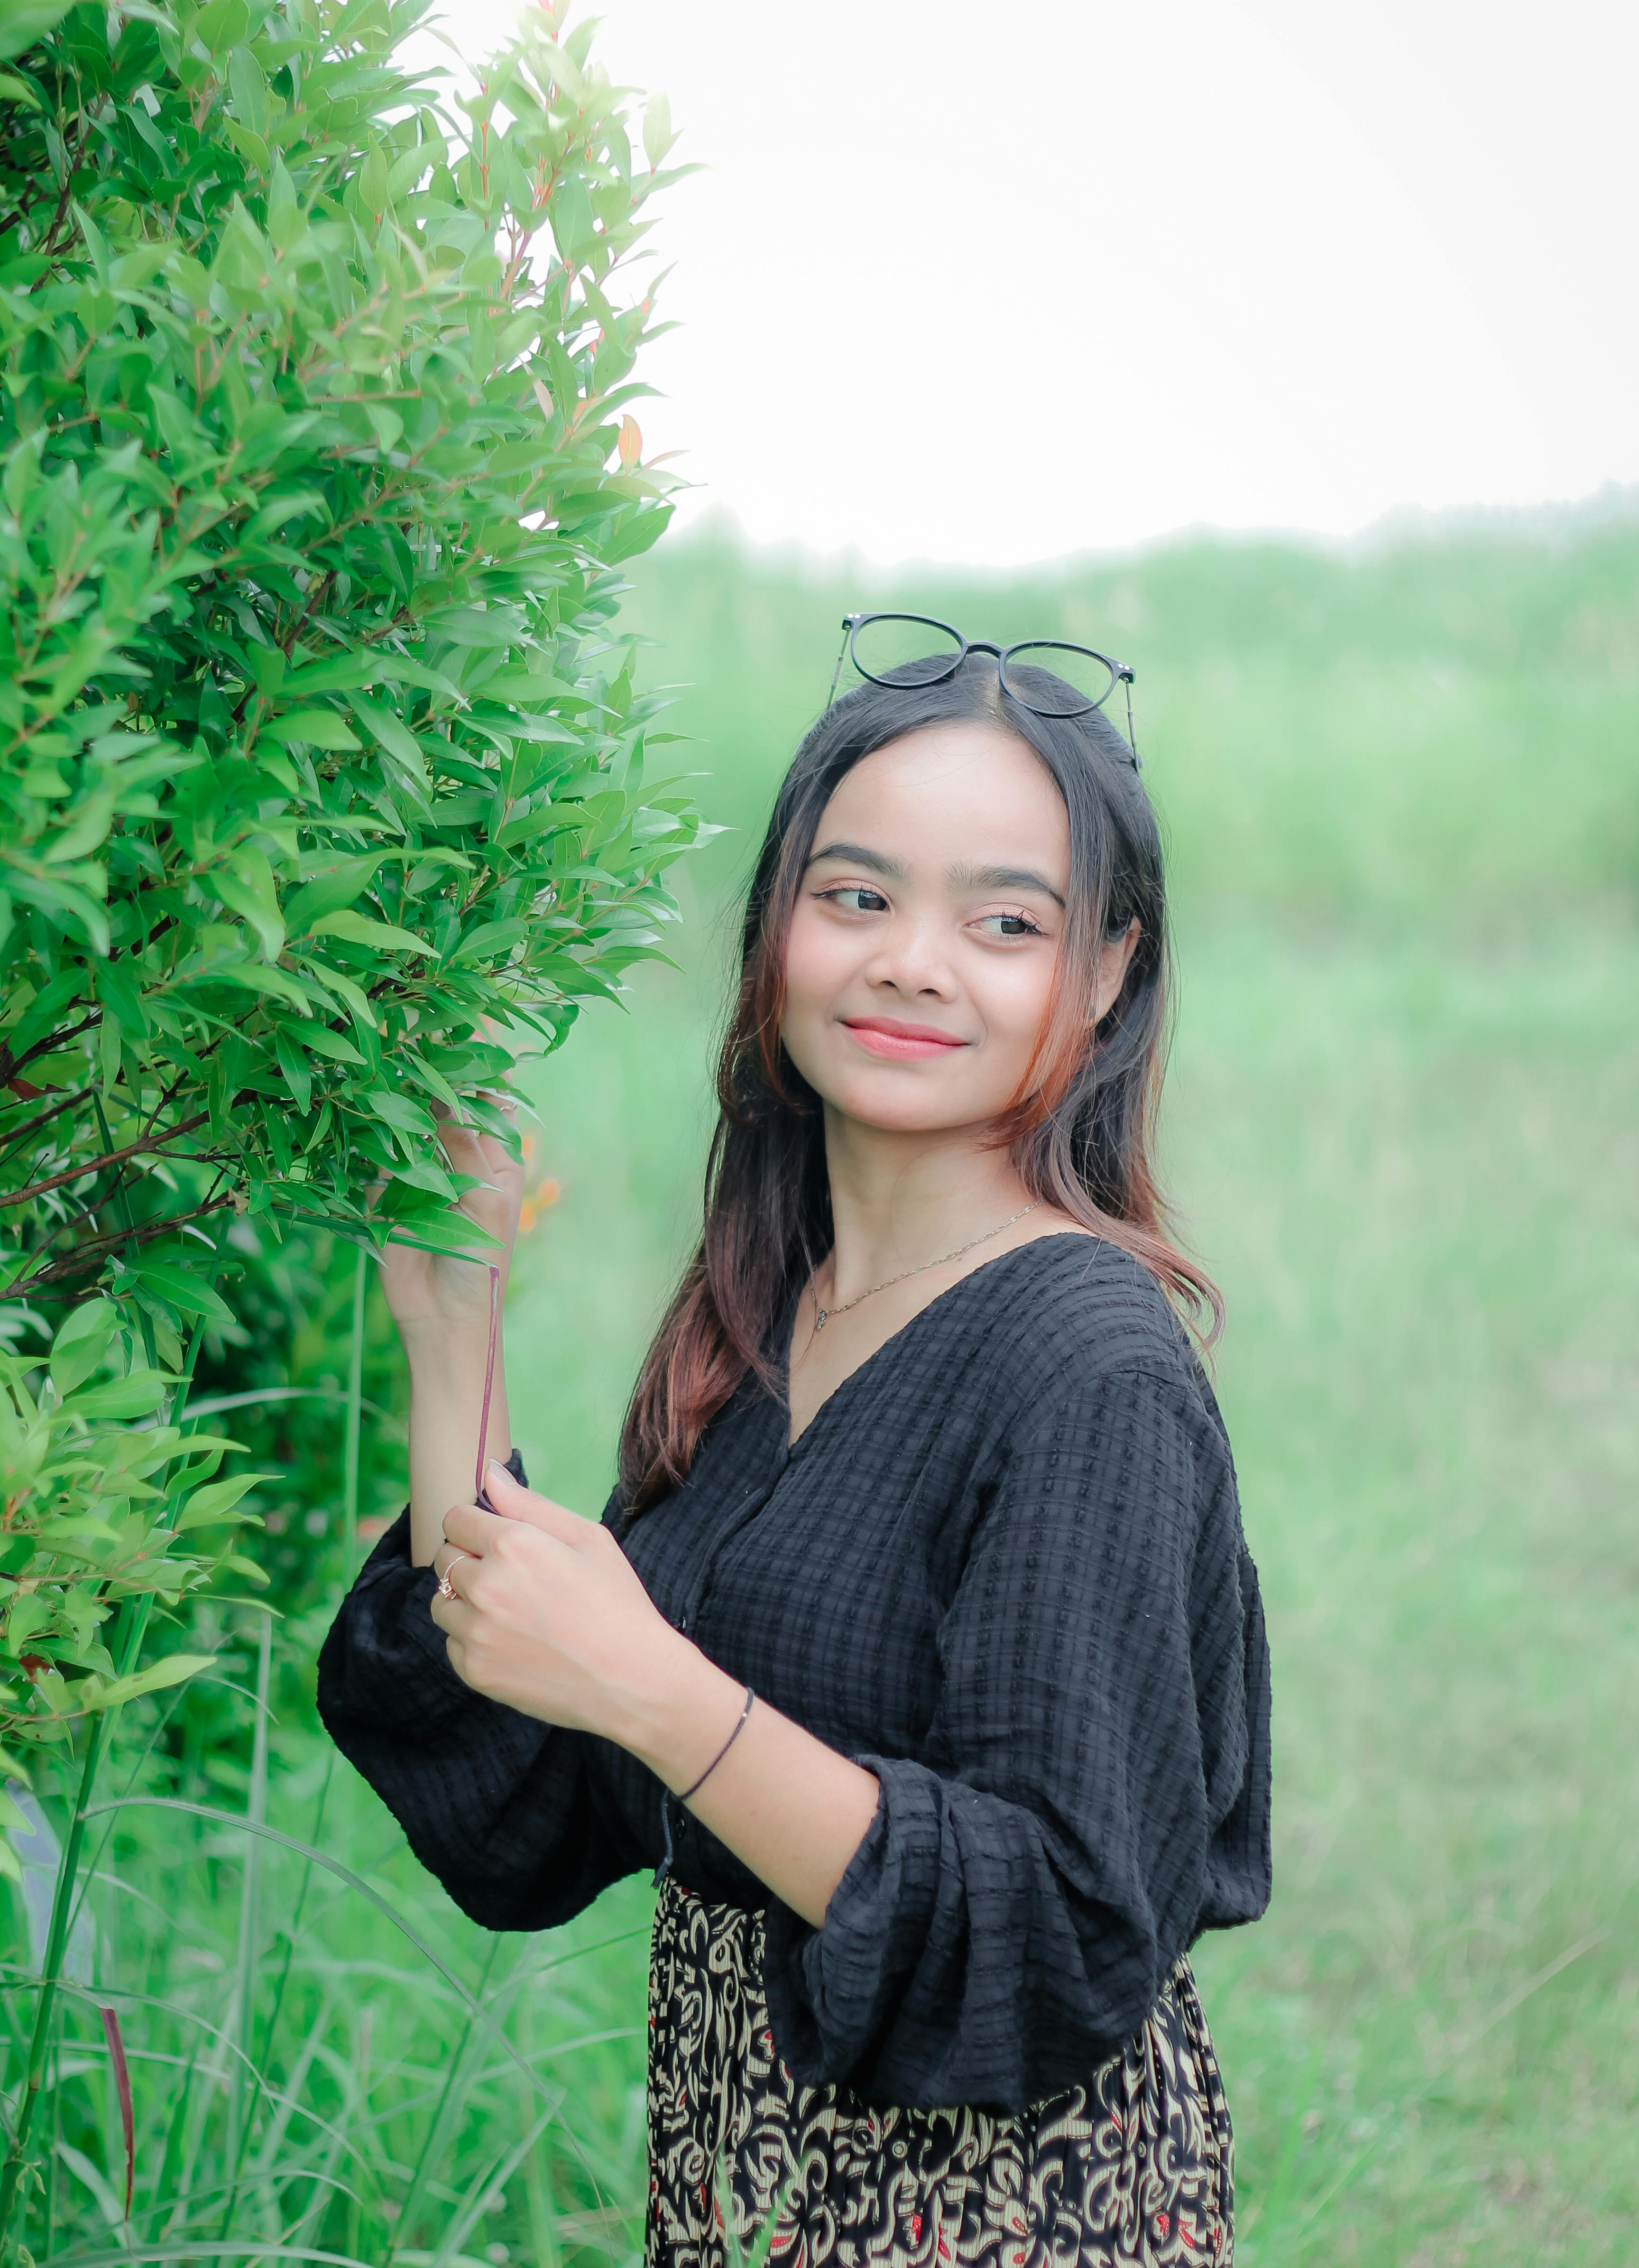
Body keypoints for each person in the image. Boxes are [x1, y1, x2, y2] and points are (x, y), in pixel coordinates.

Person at [317, 619, 1273, 2268]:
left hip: (1005, 2222)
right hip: (749, 2197)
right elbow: (540, 1773)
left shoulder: (1085, 1367)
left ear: (1106, 972)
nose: (912, 960)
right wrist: (452, 1323)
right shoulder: (775, 1310)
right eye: (857, 897)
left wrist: (649, 1686)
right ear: (776, 928)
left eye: (1005, 921)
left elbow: (1056, 1925)